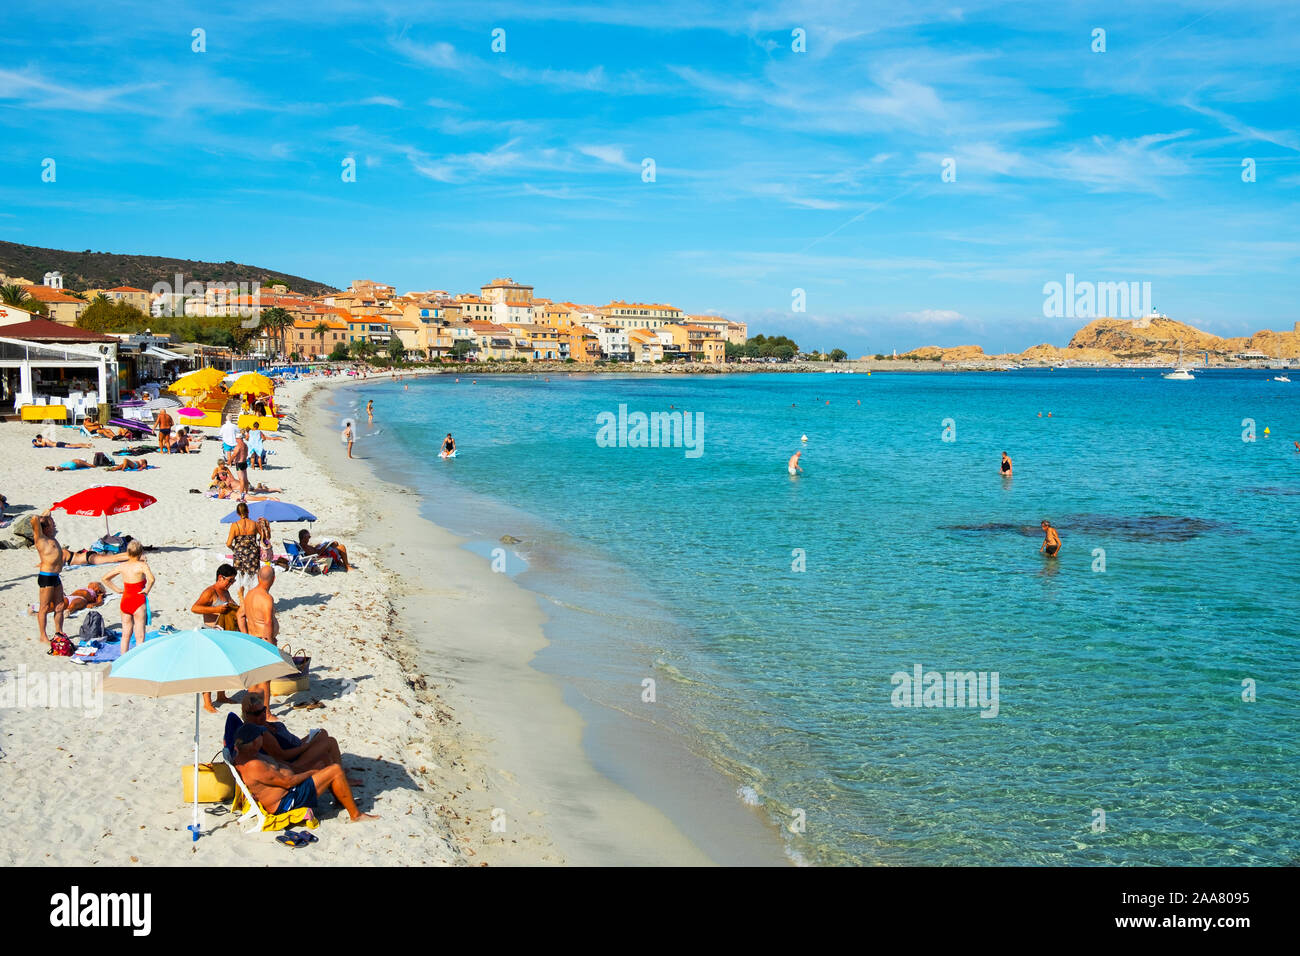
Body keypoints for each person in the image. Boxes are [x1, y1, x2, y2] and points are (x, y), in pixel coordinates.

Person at [231, 724, 376, 822]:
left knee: (325, 759)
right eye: (261, 735)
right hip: (287, 801)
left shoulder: (247, 756)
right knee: (335, 770)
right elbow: (287, 783)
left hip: (290, 788)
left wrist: (306, 769)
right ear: (256, 741)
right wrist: (312, 771)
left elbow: (283, 767)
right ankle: (356, 815)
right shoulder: (254, 765)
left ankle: (340, 799)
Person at [239, 692, 351, 778]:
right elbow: (282, 756)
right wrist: (304, 747)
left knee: (322, 733)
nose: (263, 714)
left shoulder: (262, 724)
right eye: (257, 713)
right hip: (293, 762)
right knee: (329, 741)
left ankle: (337, 768)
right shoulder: (260, 733)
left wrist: (303, 745)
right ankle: (341, 776)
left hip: (295, 749)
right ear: (247, 714)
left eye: (264, 710)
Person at [193, 563, 241, 712]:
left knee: (223, 667)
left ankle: (221, 695)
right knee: (208, 669)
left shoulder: (225, 593)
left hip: (223, 635)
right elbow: (195, 608)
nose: (231, 584)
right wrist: (216, 609)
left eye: (233, 581)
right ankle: (207, 701)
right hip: (209, 634)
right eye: (230, 581)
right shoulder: (210, 592)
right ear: (221, 577)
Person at [238, 565, 280, 722]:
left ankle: (248, 711)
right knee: (265, 680)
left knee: (253, 679)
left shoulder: (249, 594)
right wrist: (270, 644)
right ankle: (267, 713)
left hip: (252, 640)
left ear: (258, 577)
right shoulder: (266, 598)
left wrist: (245, 636)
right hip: (263, 640)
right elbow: (268, 622)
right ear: (273, 579)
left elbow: (240, 615)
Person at [101, 540, 155, 656]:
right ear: (141, 553)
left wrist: (117, 590)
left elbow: (105, 578)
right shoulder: (142, 565)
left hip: (125, 600)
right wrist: (147, 590)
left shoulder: (122, 566)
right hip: (138, 600)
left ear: (128, 553)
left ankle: (123, 658)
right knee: (139, 636)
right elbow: (151, 579)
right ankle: (139, 659)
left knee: (125, 634)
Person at [226, 502, 260, 602]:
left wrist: (234, 549)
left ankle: (241, 601)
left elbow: (228, 543)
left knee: (240, 577)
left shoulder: (235, 525)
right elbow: (263, 538)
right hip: (252, 554)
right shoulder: (254, 524)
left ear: (237, 513)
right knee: (252, 577)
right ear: (248, 511)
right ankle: (250, 600)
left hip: (239, 554)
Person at [231, 431, 250, 496]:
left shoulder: (238, 445)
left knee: (241, 480)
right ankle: (246, 492)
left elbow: (234, 454)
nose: (235, 440)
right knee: (245, 479)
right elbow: (247, 454)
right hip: (244, 462)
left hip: (239, 464)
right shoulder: (245, 445)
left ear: (238, 439)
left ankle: (241, 493)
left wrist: (229, 461)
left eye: (236, 439)